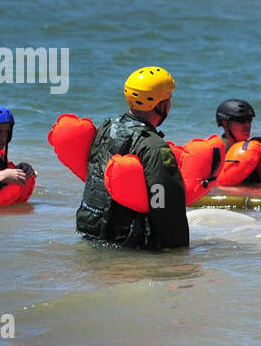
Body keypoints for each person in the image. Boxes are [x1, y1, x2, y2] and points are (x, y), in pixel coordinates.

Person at [76, 66, 189, 250]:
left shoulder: (106, 128)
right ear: (160, 105)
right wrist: (179, 251)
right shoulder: (155, 146)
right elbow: (163, 202)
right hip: (129, 243)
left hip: (93, 232)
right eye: (168, 99)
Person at [213, 98, 261, 186]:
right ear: (225, 123)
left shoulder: (259, 150)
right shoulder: (215, 152)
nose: (247, 125)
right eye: (241, 120)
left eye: (249, 120)